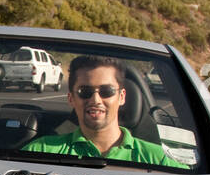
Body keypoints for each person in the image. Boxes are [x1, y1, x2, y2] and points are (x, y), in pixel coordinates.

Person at [21, 56, 188, 168]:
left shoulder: (161, 159)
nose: (95, 100)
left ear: (122, 97)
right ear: (71, 98)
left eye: (106, 91)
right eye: (84, 91)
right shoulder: (40, 151)